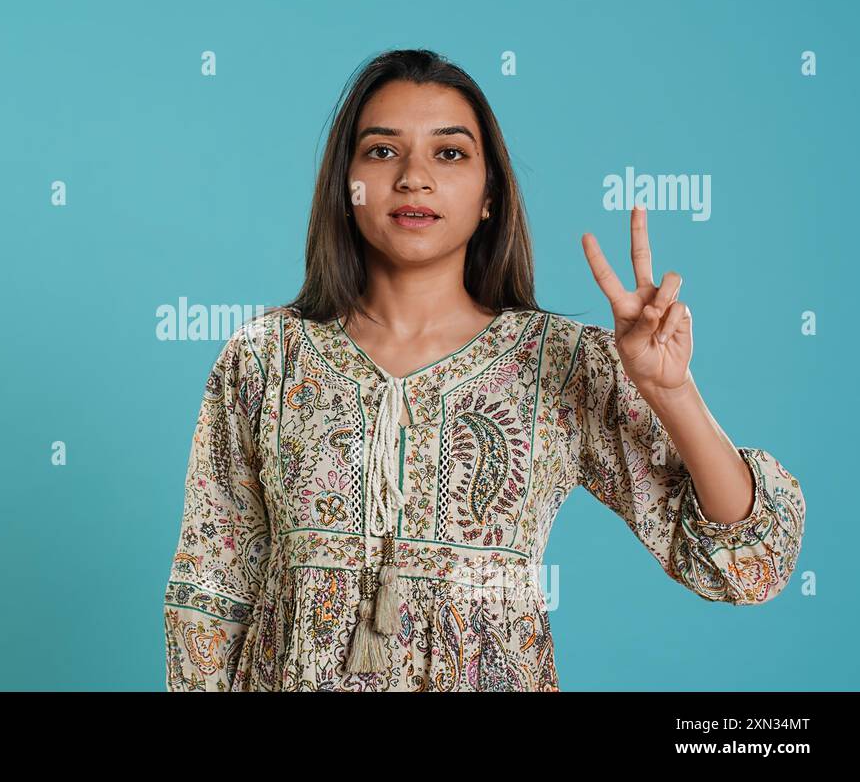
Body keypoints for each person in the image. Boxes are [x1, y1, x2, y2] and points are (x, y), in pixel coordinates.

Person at [162, 49, 806, 692]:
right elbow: (208, 600)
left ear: (490, 194)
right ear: (346, 185)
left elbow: (748, 563)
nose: (414, 177)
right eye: (382, 151)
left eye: (449, 153)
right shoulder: (265, 358)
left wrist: (672, 392)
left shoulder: (560, 360)